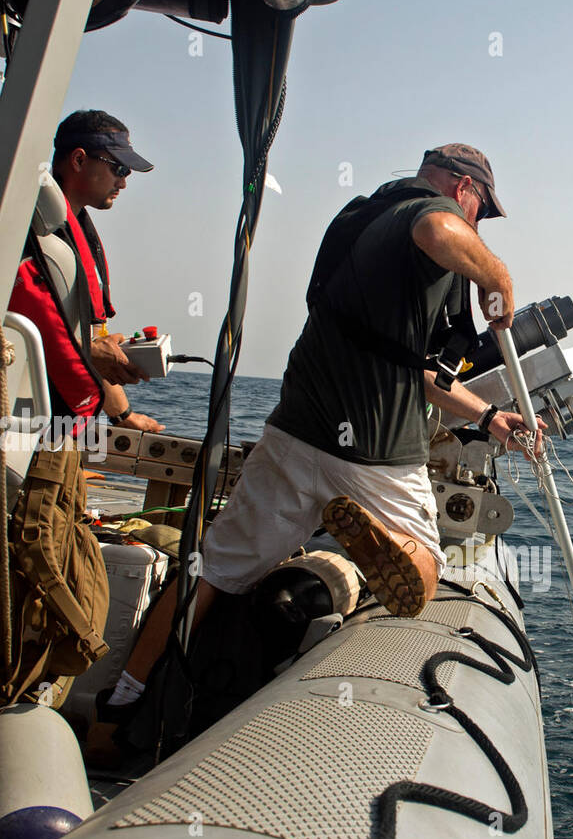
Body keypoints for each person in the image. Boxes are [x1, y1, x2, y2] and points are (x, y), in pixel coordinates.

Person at [92, 142, 542, 750]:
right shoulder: (434, 213)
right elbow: (438, 230)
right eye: (481, 212)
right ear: (466, 189)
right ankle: (394, 543)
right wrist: (496, 274)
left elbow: (413, 368)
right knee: (430, 570)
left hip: (295, 427)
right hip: (377, 448)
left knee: (213, 566)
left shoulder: (357, 220)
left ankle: (120, 700)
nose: (476, 224)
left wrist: (490, 417)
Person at [8, 109, 162, 432]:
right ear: (78, 160)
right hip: (31, 427)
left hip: (61, 428)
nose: (123, 181)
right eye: (119, 168)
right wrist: (91, 350)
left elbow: (79, 338)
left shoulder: (72, 234)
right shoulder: (28, 235)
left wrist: (123, 415)